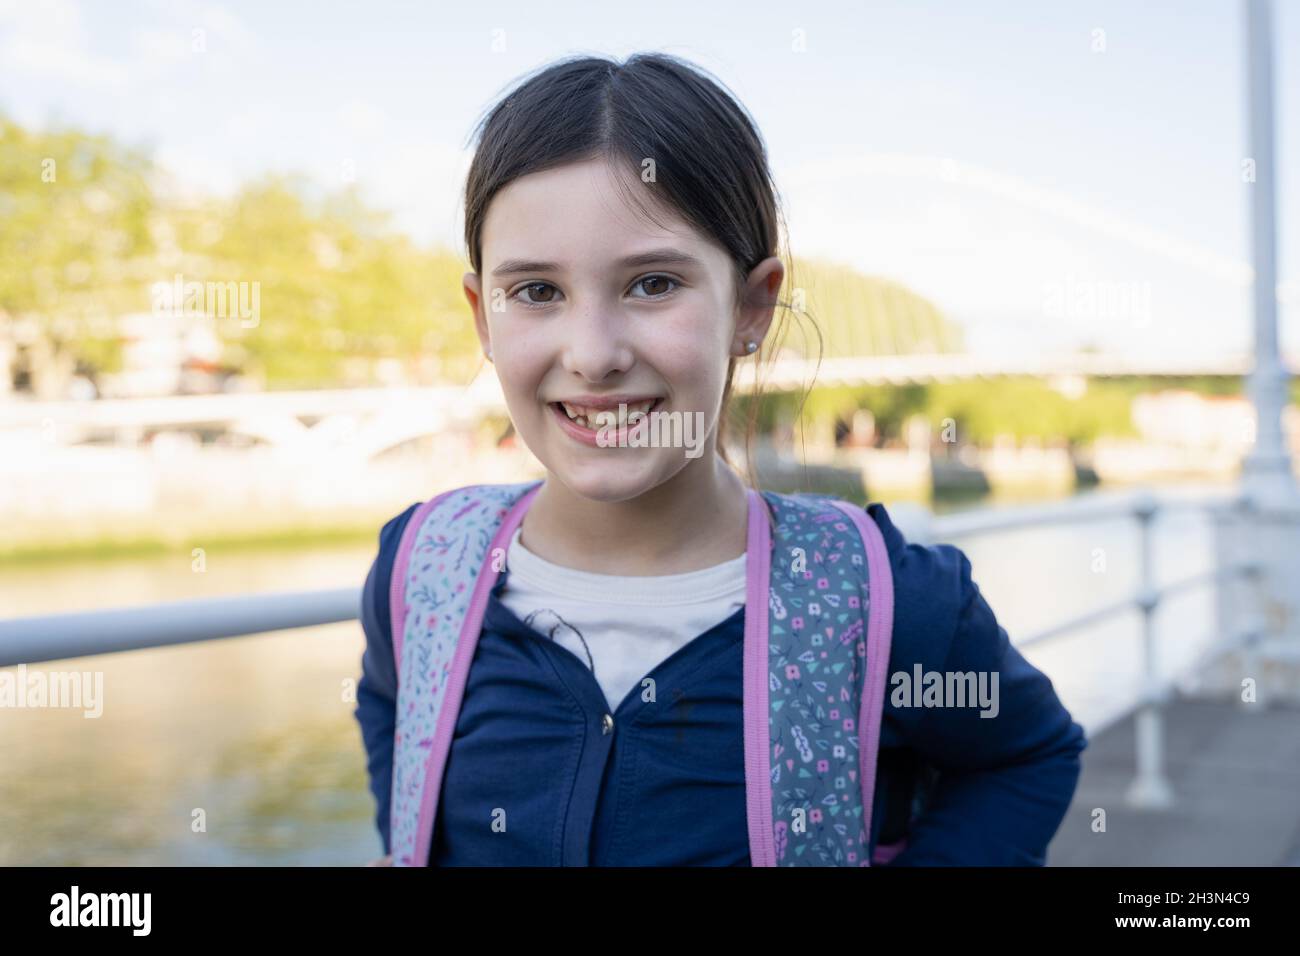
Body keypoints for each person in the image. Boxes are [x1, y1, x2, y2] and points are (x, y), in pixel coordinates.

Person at [353, 51, 1086, 866]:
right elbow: (391, 706)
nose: (592, 355)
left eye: (652, 284)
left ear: (752, 306)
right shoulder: (419, 572)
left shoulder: (889, 601)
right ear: (481, 316)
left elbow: (1025, 755)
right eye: (536, 292)